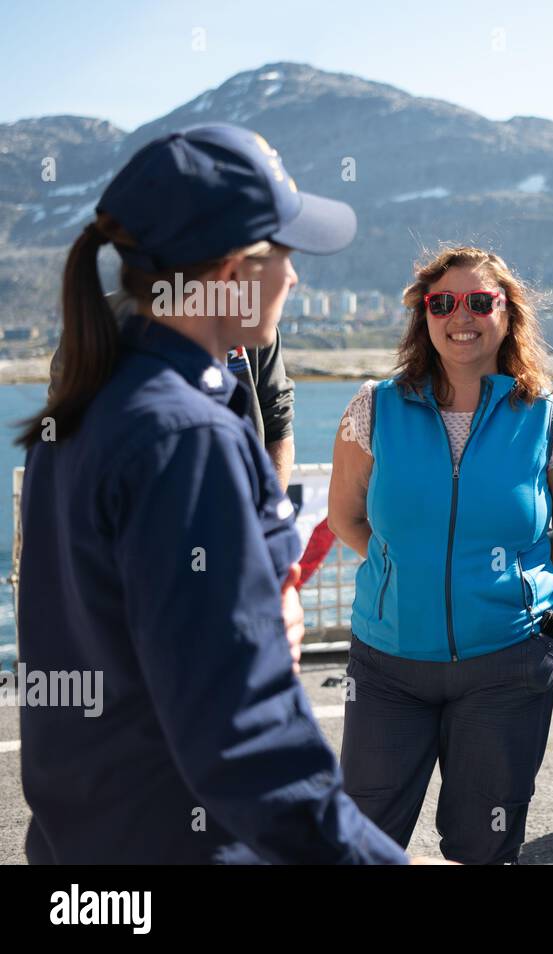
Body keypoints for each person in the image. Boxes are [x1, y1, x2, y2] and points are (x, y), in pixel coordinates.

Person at [16, 123, 407, 863]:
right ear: (234, 272)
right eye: (287, 256)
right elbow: (246, 741)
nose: (296, 279)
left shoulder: (83, 414)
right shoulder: (186, 437)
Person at [329, 246, 553, 864]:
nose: (461, 315)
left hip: (506, 664)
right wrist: (407, 574)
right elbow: (345, 518)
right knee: (360, 841)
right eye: (442, 302)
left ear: (509, 314)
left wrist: (504, 586)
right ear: (424, 315)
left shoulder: (551, 417)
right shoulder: (376, 407)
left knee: (485, 843)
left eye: (481, 301)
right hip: (386, 667)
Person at [50, 297, 298, 488]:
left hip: (232, 538)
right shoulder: (97, 325)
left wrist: (260, 526)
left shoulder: (250, 320)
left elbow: (278, 428)